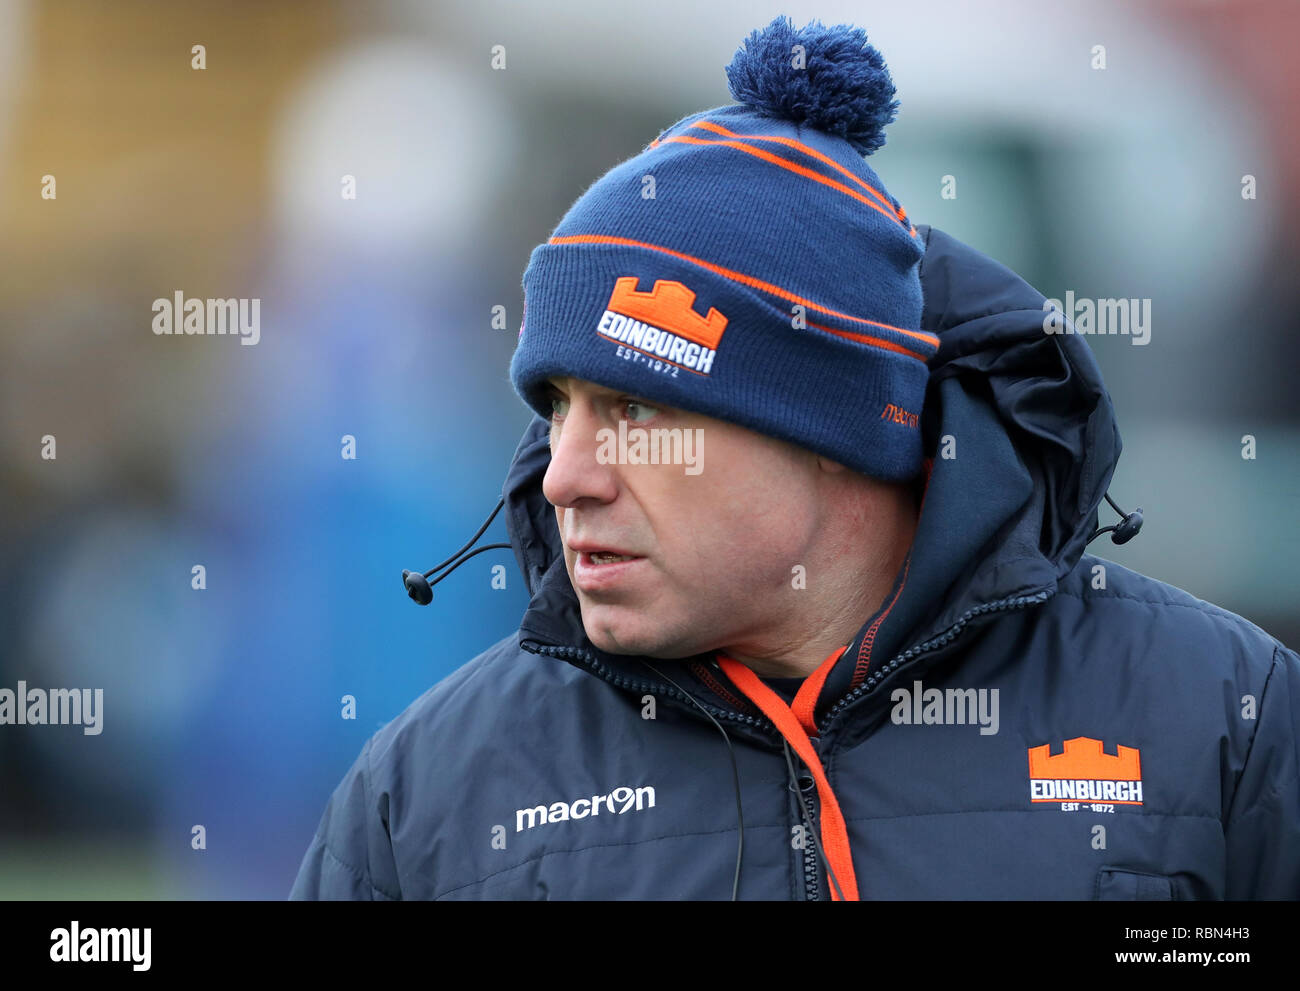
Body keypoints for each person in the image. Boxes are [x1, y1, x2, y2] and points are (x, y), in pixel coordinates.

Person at [289, 16, 1299, 900]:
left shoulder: (1220, 720)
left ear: (833, 430)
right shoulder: (426, 796)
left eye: (635, 410)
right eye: (559, 407)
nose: (564, 476)